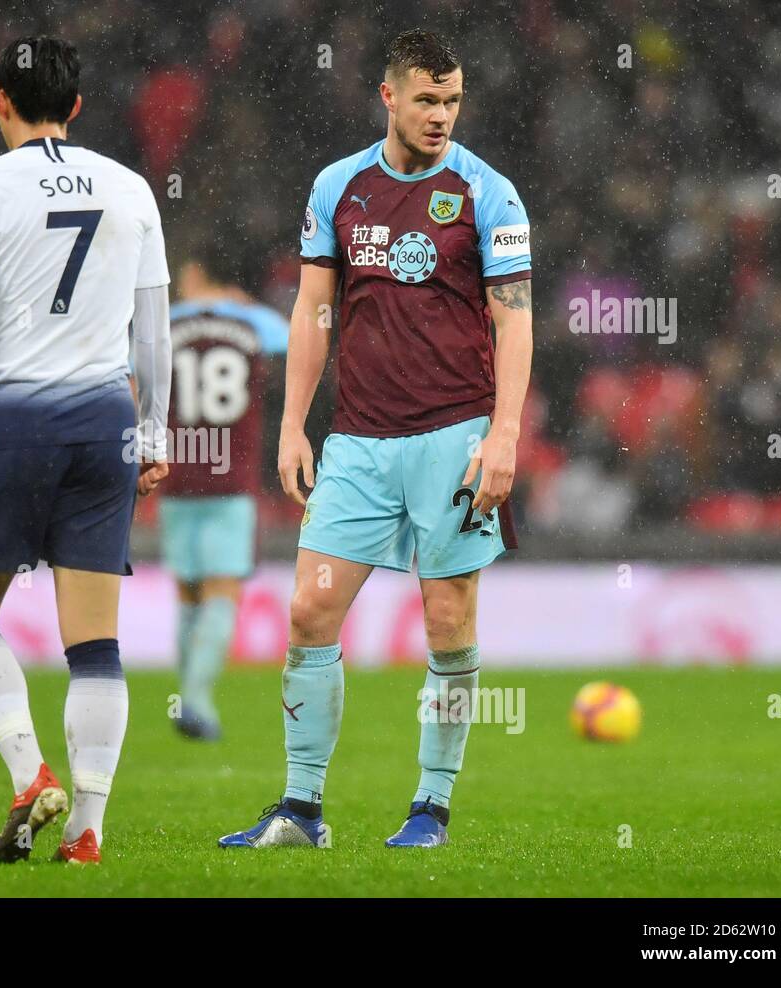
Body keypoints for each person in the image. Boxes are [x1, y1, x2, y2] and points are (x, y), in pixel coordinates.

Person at [219, 28, 533, 850]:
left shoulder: (487, 192)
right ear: (388, 96)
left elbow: (515, 318)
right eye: (427, 99)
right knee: (310, 609)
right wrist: (292, 422)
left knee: (448, 619)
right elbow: (313, 311)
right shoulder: (338, 186)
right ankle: (301, 809)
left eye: (453, 100)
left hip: (454, 435)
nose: (441, 115)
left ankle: (430, 808)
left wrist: (504, 434)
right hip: (356, 441)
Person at [0, 36, 171, 865]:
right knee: (95, 643)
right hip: (107, 422)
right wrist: (156, 428)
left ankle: (30, 775)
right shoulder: (131, 188)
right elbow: (154, 327)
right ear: (79, 107)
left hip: (18, 421)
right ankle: (89, 832)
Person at [160, 247, 288, 740]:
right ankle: (196, 699)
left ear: (195, 272)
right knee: (223, 589)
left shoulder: (166, 322)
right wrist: (247, 306)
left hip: (178, 472)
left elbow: (132, 367)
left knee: (189, 590)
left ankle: (185, 694)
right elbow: (298, 339)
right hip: (231, 475)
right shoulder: (256, 324)